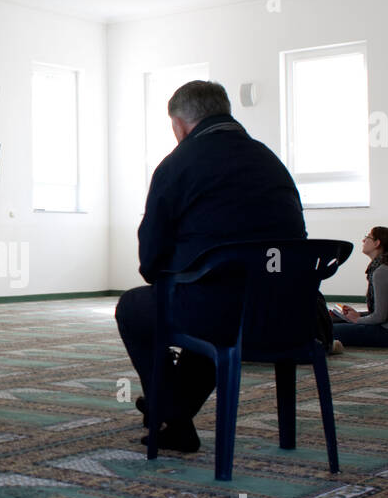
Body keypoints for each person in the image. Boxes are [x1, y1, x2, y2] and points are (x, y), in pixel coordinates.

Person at [115, 80, 306, 452]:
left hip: (221, 314)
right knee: (214, 306)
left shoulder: (177, 165)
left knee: (136, 308)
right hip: (289, 314)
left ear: (181, 125)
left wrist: (170, 278)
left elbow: (150, 256)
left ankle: (169, 411)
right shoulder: (270, 160)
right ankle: (172, 408)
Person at [329, 226, 388, 348]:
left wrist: (357, 320)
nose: (363, 240)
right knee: (331, 322)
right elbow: (383, 313)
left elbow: (380, 317)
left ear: (377, 243)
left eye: (367, 237)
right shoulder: (386, 267)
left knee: (327, 330)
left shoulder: (382, 271)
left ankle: (330, 346)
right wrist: (358, 315)